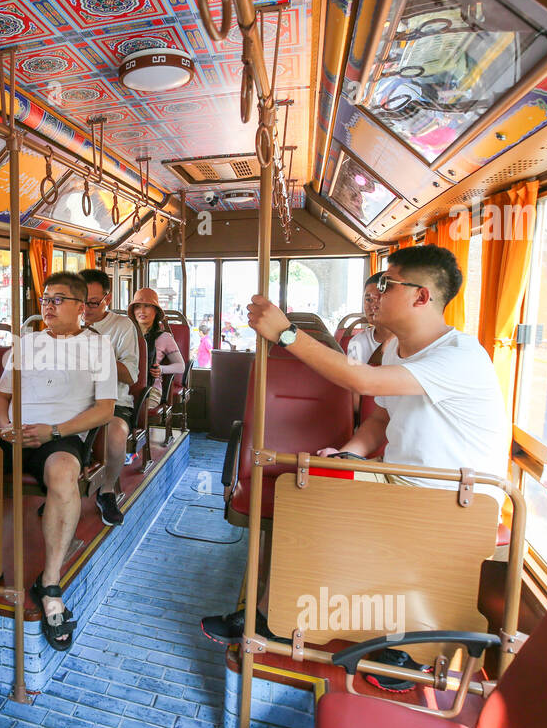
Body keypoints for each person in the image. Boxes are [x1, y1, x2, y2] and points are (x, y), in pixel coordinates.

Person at [201, 246, 509, 662]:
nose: (376, 293)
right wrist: (348, 457)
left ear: (421, 297)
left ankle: (277, 622)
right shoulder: (401, 349)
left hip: (451, 501)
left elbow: (362, 380)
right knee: (306, 484)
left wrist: (286, 334)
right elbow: (379, 422)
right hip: (404, 485)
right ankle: (269, 616)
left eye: (386, 284)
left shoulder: (459, 357)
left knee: (313, 493)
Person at [0, 272, 116, 650]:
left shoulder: (99, 348)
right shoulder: (25, 343)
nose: (48, 305)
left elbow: (105, 410)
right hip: (14, 433)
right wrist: (5, 428)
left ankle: (49, 584)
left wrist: (55, 431)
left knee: (63, 472)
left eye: (58, 299)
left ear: (82, 308)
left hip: (60, 436)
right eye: (45, 298)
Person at [78, 268, 141, 526]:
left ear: (108, 298)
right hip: (75, 400)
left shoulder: (122, 327)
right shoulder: (65, 325)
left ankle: (106, 491)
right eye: (82, 302)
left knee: (115, 436)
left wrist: (101, 357)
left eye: (94, 302)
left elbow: (131, 376)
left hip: (115, 401)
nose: (87, 309)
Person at [128, 288, 185, 411]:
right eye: (137, 306)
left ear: (156, 311)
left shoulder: (164, 337)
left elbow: (181, 366)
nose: (142, 311)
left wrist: (161, 369)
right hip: (126, 388)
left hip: (150, 390)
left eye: (147, 306)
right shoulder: (127, 335)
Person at [346, 271, 394, 367]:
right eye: (368, 300)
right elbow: (352, 379)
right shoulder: (357, 342)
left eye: (380, 299)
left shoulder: (412, 342)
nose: (373, 306)